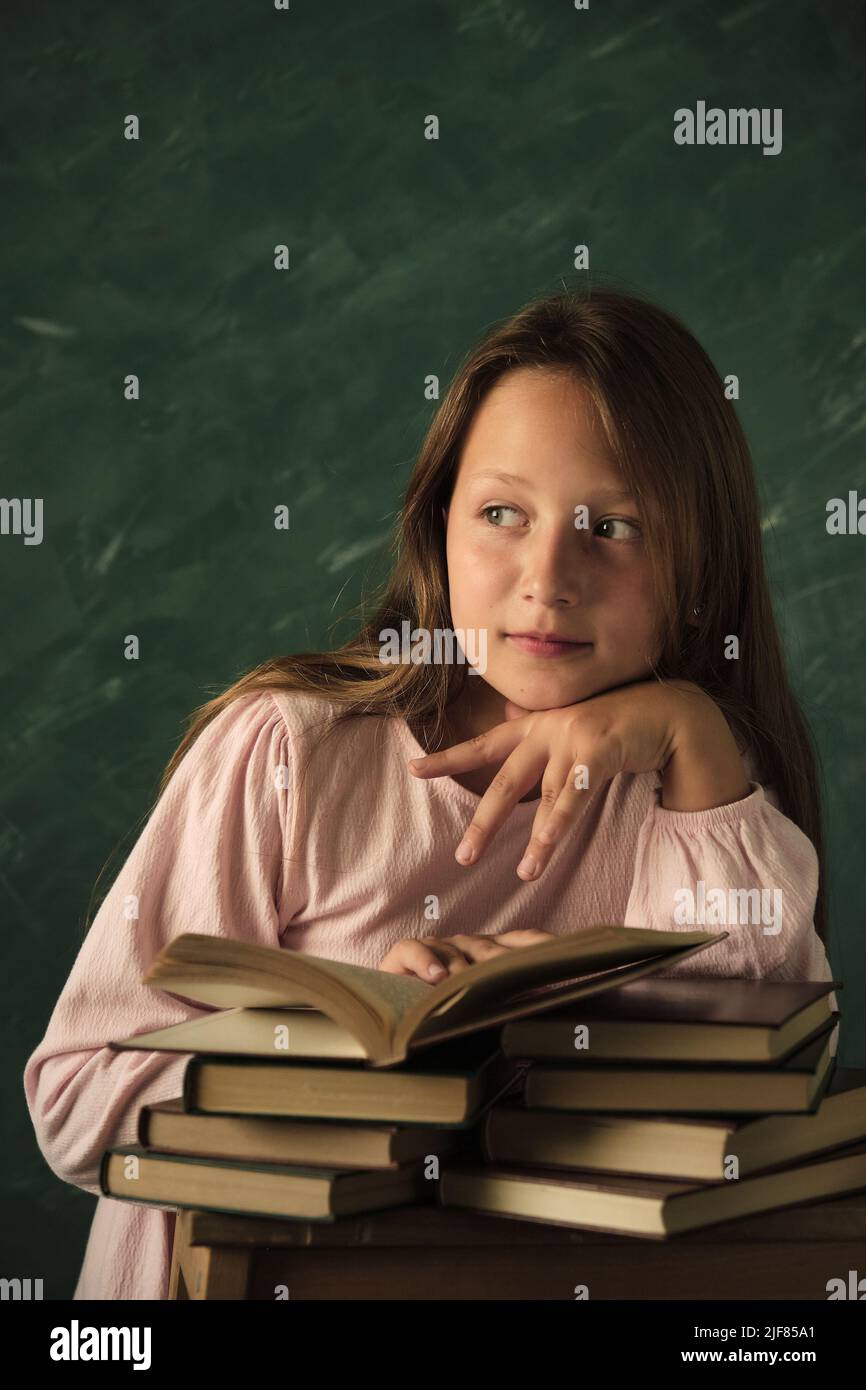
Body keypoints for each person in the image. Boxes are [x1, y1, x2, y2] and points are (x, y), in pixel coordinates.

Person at [23, 286, 837, 1300]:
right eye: (501, 514)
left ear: (697, 558)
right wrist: (370, 1060)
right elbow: (74, 1095)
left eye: (612, 527)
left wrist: (695, 738)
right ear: (436, 523)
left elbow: (770, 1086)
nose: (547, 576)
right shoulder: (290, 753)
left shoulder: (686, 802)